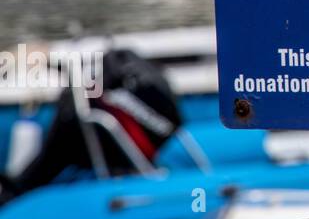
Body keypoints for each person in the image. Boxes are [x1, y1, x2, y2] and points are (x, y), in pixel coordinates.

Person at [0, 49, 182, 204]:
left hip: (92, 115)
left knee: (37, 172)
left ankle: (16, 192)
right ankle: (18, 191)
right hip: (96, 118)